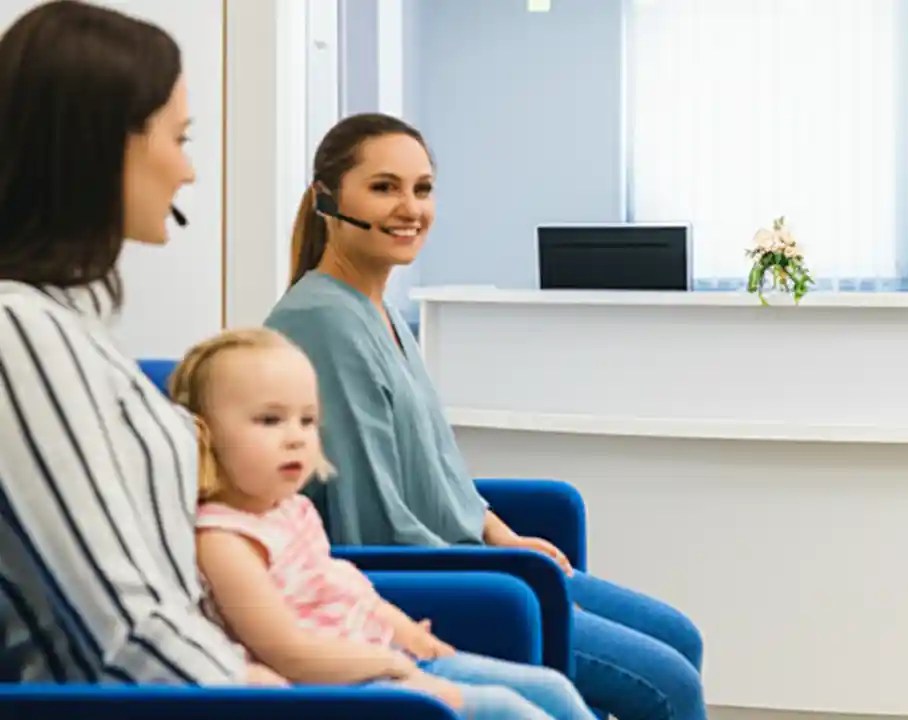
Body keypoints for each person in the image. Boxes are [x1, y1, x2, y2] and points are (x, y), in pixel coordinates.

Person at [265, 113, 707, 720]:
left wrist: (506, 537)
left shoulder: (380, 311)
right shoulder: (322, 322)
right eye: (384, 187)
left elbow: (434, 470)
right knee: (669, 684)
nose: (409, 207)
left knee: (680, 636)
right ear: (327, 200)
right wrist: (501, 565)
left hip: (472, 556)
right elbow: (373, 521)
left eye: (422, 188)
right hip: (436, 582)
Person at [0, 0, 281, 685]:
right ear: (106, 148)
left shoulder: (69, 327)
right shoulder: (21, 334)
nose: (187, 172)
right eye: (179, 139)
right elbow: (130, 635)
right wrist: (274, 694)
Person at [169, 327, 596, 720]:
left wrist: (405, 633)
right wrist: (390, 664)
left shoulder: (291, 510)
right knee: (508, 710)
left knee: (551, 690)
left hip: (384, 656)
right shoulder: (224, 541)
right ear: (203, 437)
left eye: (308, 420)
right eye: (269, 420)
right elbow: (287, 653)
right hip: (343, 686)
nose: (297, 436)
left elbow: (342, 585)